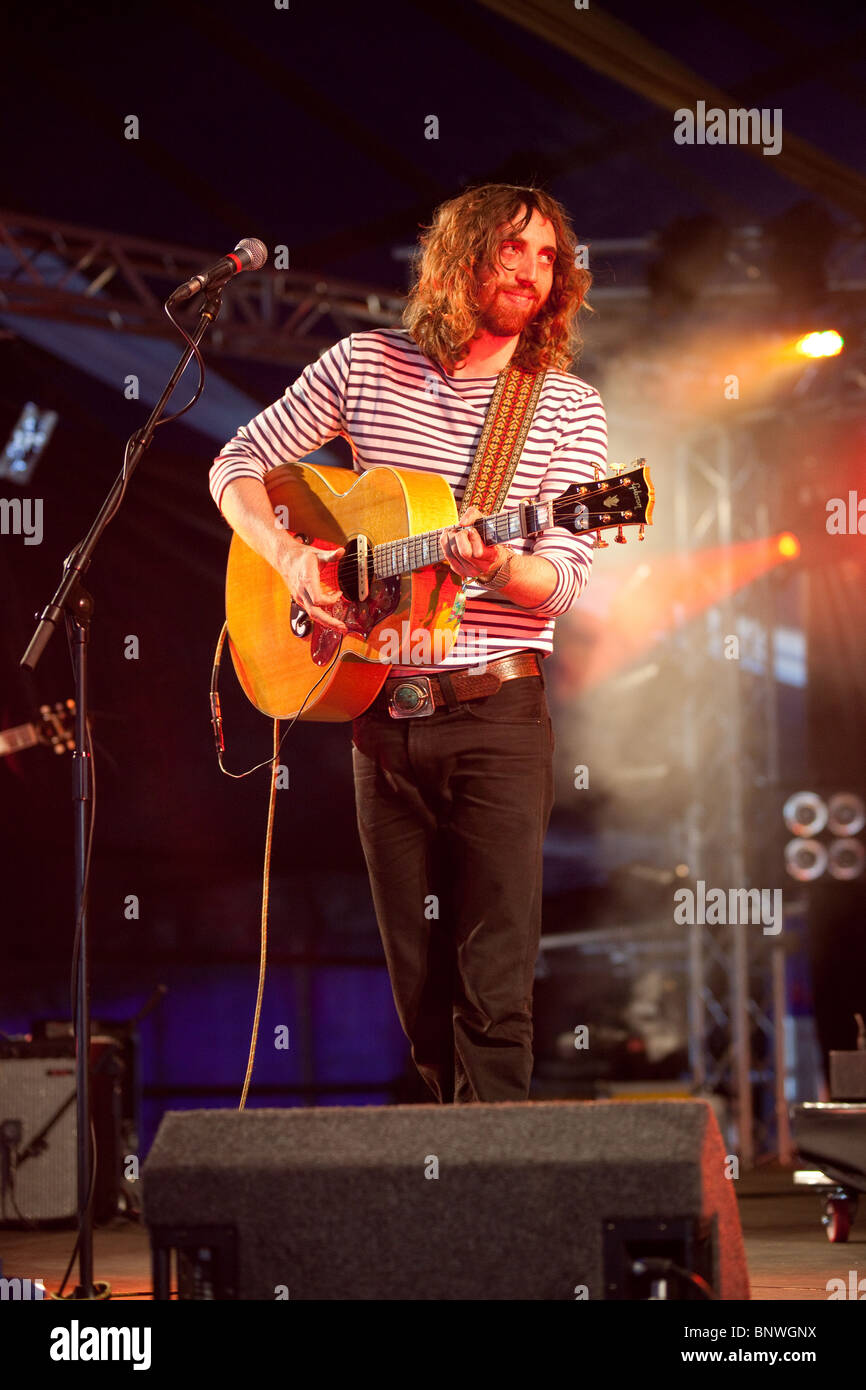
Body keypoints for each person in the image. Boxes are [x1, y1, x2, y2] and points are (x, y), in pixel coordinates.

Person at [209, 184, 607, 1104]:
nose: (532, 271)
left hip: (497, 714)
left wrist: (499, 567)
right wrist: (294, 561)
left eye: (549, 258)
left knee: (494, 986)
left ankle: (495, 1203)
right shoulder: (364, 364)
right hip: (377, 713)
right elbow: (237, 462)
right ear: (460, 255)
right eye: (515, 249)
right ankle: (442, 1187)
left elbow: (568, 577)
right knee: (419, 987)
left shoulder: (565, 406)